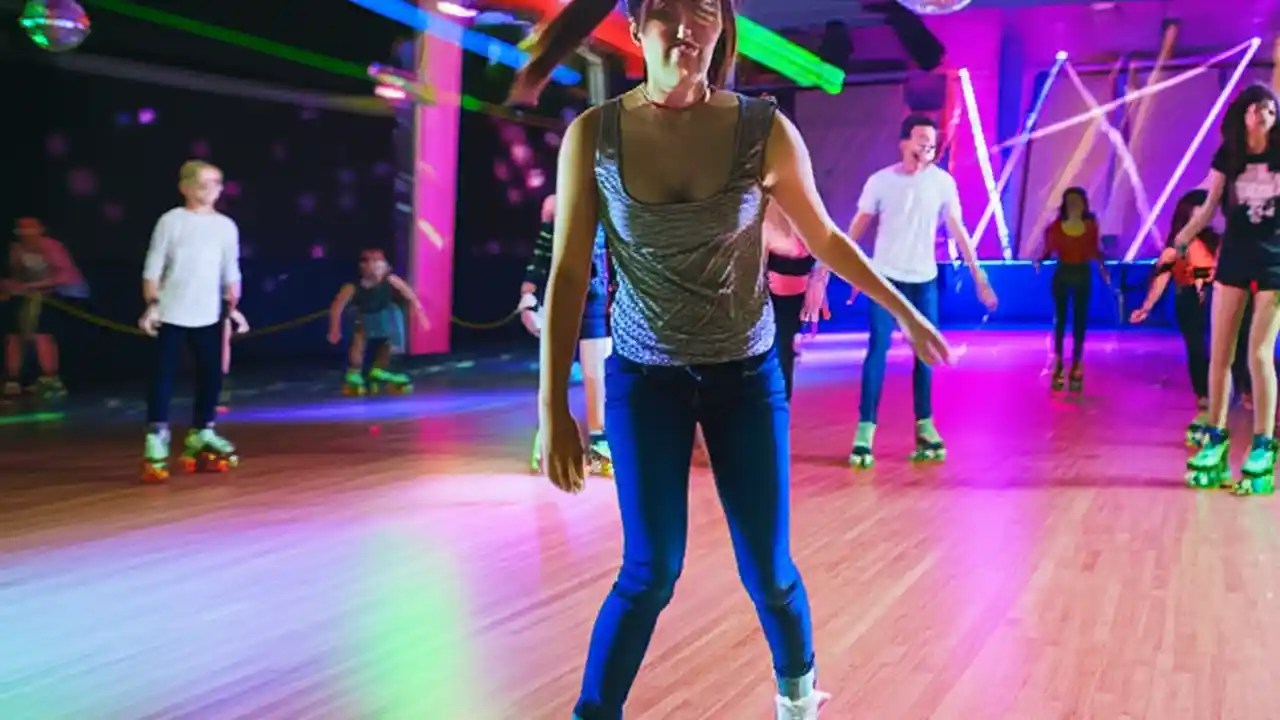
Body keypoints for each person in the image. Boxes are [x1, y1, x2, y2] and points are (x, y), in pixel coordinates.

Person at [536, 0, 951, 716]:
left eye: (704, 10)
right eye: (667, 11)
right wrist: (556, 411)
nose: (687, 27)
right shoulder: (594, 137)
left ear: (721, 26)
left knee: (768, 571)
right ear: (638, 28)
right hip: (645, 377)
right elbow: (570, 272)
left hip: (745, 377)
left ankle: (797, 698)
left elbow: (823, 237)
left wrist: (906, 312)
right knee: (650, 569)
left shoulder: (763, 130)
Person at [845, 115, 998, 468]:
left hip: (923, 279)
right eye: (920, 141)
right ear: (904, 142)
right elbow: (857, 227)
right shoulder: (880, 182)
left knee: (925, 353)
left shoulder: (943, 183)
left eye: (931, 143)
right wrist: (839, 269)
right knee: (878, 350)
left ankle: (925, 426)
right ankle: (865, 430)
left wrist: (979, 276)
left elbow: (958, 228)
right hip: (884, 280)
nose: (926, 148)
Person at [1175, 83, 1280, 495]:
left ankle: (1262, 444)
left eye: (1270, 109)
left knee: (1258, 353)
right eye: (1256, 108)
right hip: (1233, 259)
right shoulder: (1229, 157)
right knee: (1220, 353)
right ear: (1243, 115)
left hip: (1274, 263)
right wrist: (1178, 242)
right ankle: (1216, 440)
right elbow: (1207, 207)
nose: (1263, 115)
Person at [138, 161, 243, 482]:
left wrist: (234, 305)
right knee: (163, 374)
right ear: (185, 187)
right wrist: (152, 304)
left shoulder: (226, 226)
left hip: (208, 312)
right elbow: (153, 266)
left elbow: (231, 270)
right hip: (171, 311)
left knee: (211, 373)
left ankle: (202, 430)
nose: (212, 190)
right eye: (204, 183)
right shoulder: (171, 221)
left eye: (217, 183)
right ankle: (157, 434)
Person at [1130, 189, 1252, 444]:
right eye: (1198, 211)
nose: (1204, 216)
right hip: (1188, 299)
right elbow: (1162, 276)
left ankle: (1234, 390)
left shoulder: (1216, 242)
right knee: (1197, 348)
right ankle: (1204, 395)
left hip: (1215, 297)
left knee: (1229, 347)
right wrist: (1147, 306)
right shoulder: (1177, 244)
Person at [519, 193, 613, 474]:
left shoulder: (612, 198)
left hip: (595, 297)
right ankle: (548, 442)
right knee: (554, 371)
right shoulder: (556, 202)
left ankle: (599, 447)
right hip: (559, 293)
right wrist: (528, 296)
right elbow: (541, 253)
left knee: (597, 374)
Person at [1034, 187, 1110, 391]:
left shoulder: (1090, 225)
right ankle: (1058, 362)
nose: (1075, 205)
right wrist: (1040, 259)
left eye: (1078, 202)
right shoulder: (1055, 227)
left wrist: (1103, 269)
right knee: (1060, 320)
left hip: (1082, 274)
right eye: (1071, 202)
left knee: (1080, 320)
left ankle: (1077, 362)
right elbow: (1049, 250)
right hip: (1063, 274)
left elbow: (1095, 249)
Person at [327, 248, 429, 395]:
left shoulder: (391, 280)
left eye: (377, 261)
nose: (373, 266)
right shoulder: (352, 287)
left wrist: (421, 315)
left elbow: (410, 296)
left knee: (390, 331)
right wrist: (334, 329)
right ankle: (354, 371)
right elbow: (337, 307)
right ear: (362, 266)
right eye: (369, 261)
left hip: (383, 317)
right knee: (359, 334)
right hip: (363, 316)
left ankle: (380, 369)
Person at [4, 217, 83, 399]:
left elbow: (66, 275)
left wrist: (36, 285)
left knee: (43, 334)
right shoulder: (16, 249)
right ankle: (13, 378)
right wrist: (14, 286)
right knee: (14, 335)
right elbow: (17, 274)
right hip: (26, 297)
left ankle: (50, 377)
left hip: (56, 295)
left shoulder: (52, 247)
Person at [764, 200, 829, 400]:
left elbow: (823, 261)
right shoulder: (767, 219)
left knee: (785, 351)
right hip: (770, 300)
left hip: (798, 300)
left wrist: (818, 292)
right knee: (780, 350)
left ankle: (781, 403)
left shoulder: (812, 216)